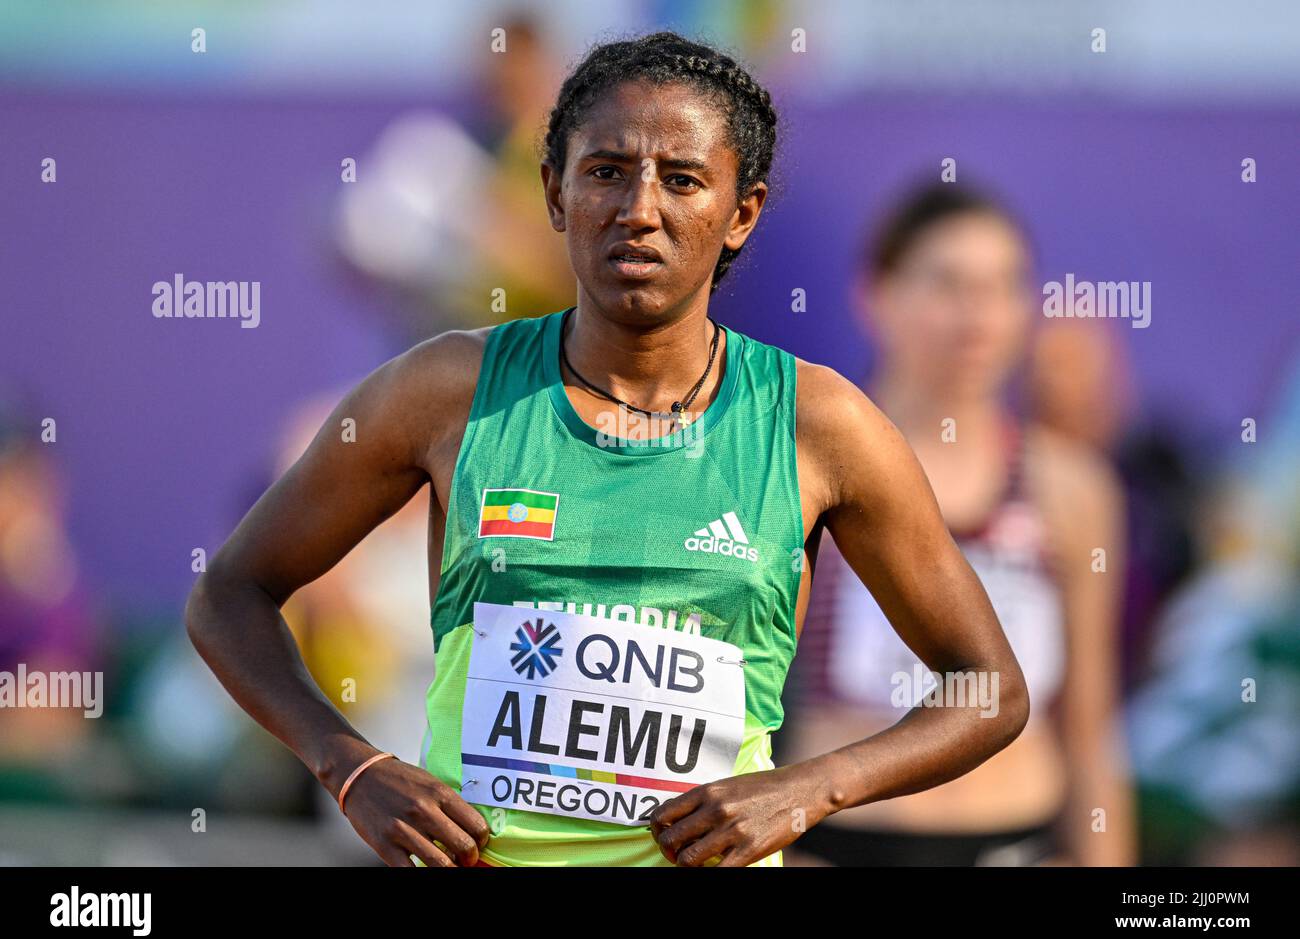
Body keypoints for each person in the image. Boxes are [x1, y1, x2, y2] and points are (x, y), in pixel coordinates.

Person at [185, 32, 1029, 868]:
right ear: (555, 194)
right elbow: (229, 594)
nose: (641, 209)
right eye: (606, 172)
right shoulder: (448, 391)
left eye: (685, 180)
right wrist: (351, 764)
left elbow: (990, 688)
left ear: (743, 214)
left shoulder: (817, 423)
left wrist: (810, 788)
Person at [782, 185, 1136, 866]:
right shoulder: (806, 469)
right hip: (838, 843)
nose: (977, 317)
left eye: (1002, 286)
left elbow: (1090, 725)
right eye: (947, 283)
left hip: (1013, 840)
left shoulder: (1071, 488)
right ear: (874, 295)